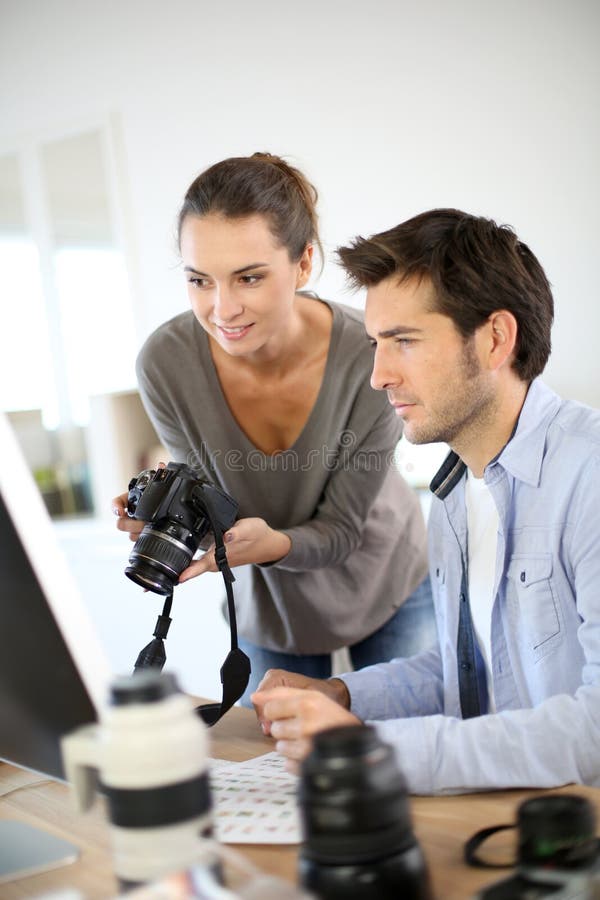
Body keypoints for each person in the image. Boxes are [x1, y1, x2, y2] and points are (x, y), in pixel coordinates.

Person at [252, 208, 600, 793]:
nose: (378, 376)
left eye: (403, 342)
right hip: (501, 819)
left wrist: (371, 750)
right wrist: (340, 694)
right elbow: (464, 667)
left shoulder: (589, 476)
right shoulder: (454, 493)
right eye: (374, 344)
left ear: (494, 340)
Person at [113, 153, 436, 704]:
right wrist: (173, 514)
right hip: (271, 605)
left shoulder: (367, 355)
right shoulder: (164, 364)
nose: (222, 310)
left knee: (404, 754)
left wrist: (272, 543)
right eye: (199, 280)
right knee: (273, 771)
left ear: (305, 263)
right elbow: (214, 494)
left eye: (250, 277)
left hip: (385, 584)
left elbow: (340, 531)